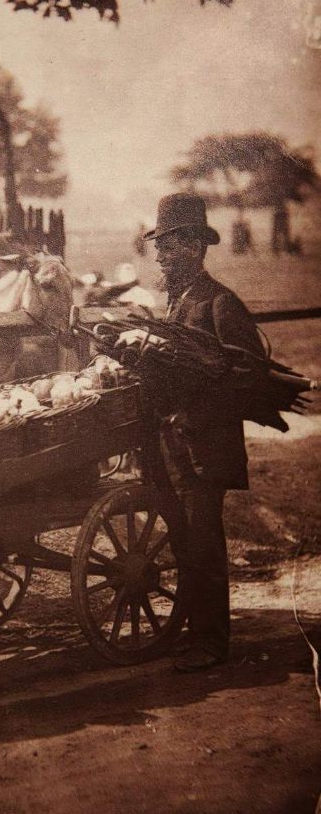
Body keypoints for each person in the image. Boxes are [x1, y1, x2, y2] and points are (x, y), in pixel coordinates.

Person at [142, 193, 265, 672]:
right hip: (174, 445)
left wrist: (199, 397)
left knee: (204, 544)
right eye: (160, 245)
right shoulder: (178, 301)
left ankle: (212, 643)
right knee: (183, 543)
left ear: (194, 245)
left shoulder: (220, 303)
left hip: (203, 447)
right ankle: (193, 632)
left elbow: (249, 376)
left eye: (168, 245)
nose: (160, 255)